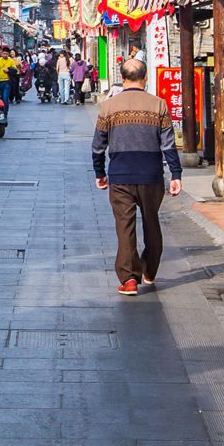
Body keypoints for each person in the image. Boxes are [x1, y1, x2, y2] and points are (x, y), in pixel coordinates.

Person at [90, 57, 182, 296]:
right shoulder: (159, 105)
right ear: (146, 77)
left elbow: (98, 145)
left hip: (120, 175)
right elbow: (169, 145)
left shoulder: (109, 106)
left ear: (122, 78)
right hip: (151, 174)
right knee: (151, 221)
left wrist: (99, 172)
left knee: (125, 226)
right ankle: (149, 270)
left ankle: (129, 279)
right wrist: (175, 173)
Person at [0, 46, 19, 111]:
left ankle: (5, 112)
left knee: (5, 98)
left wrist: (9, 70)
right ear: (1, 53)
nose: (5, 55)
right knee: (0, 99)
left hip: (7, 82)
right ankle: (1, 112)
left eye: (6, 54)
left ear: (8, 54)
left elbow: (15, 70)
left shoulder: (11, 61)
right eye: (4, 53)